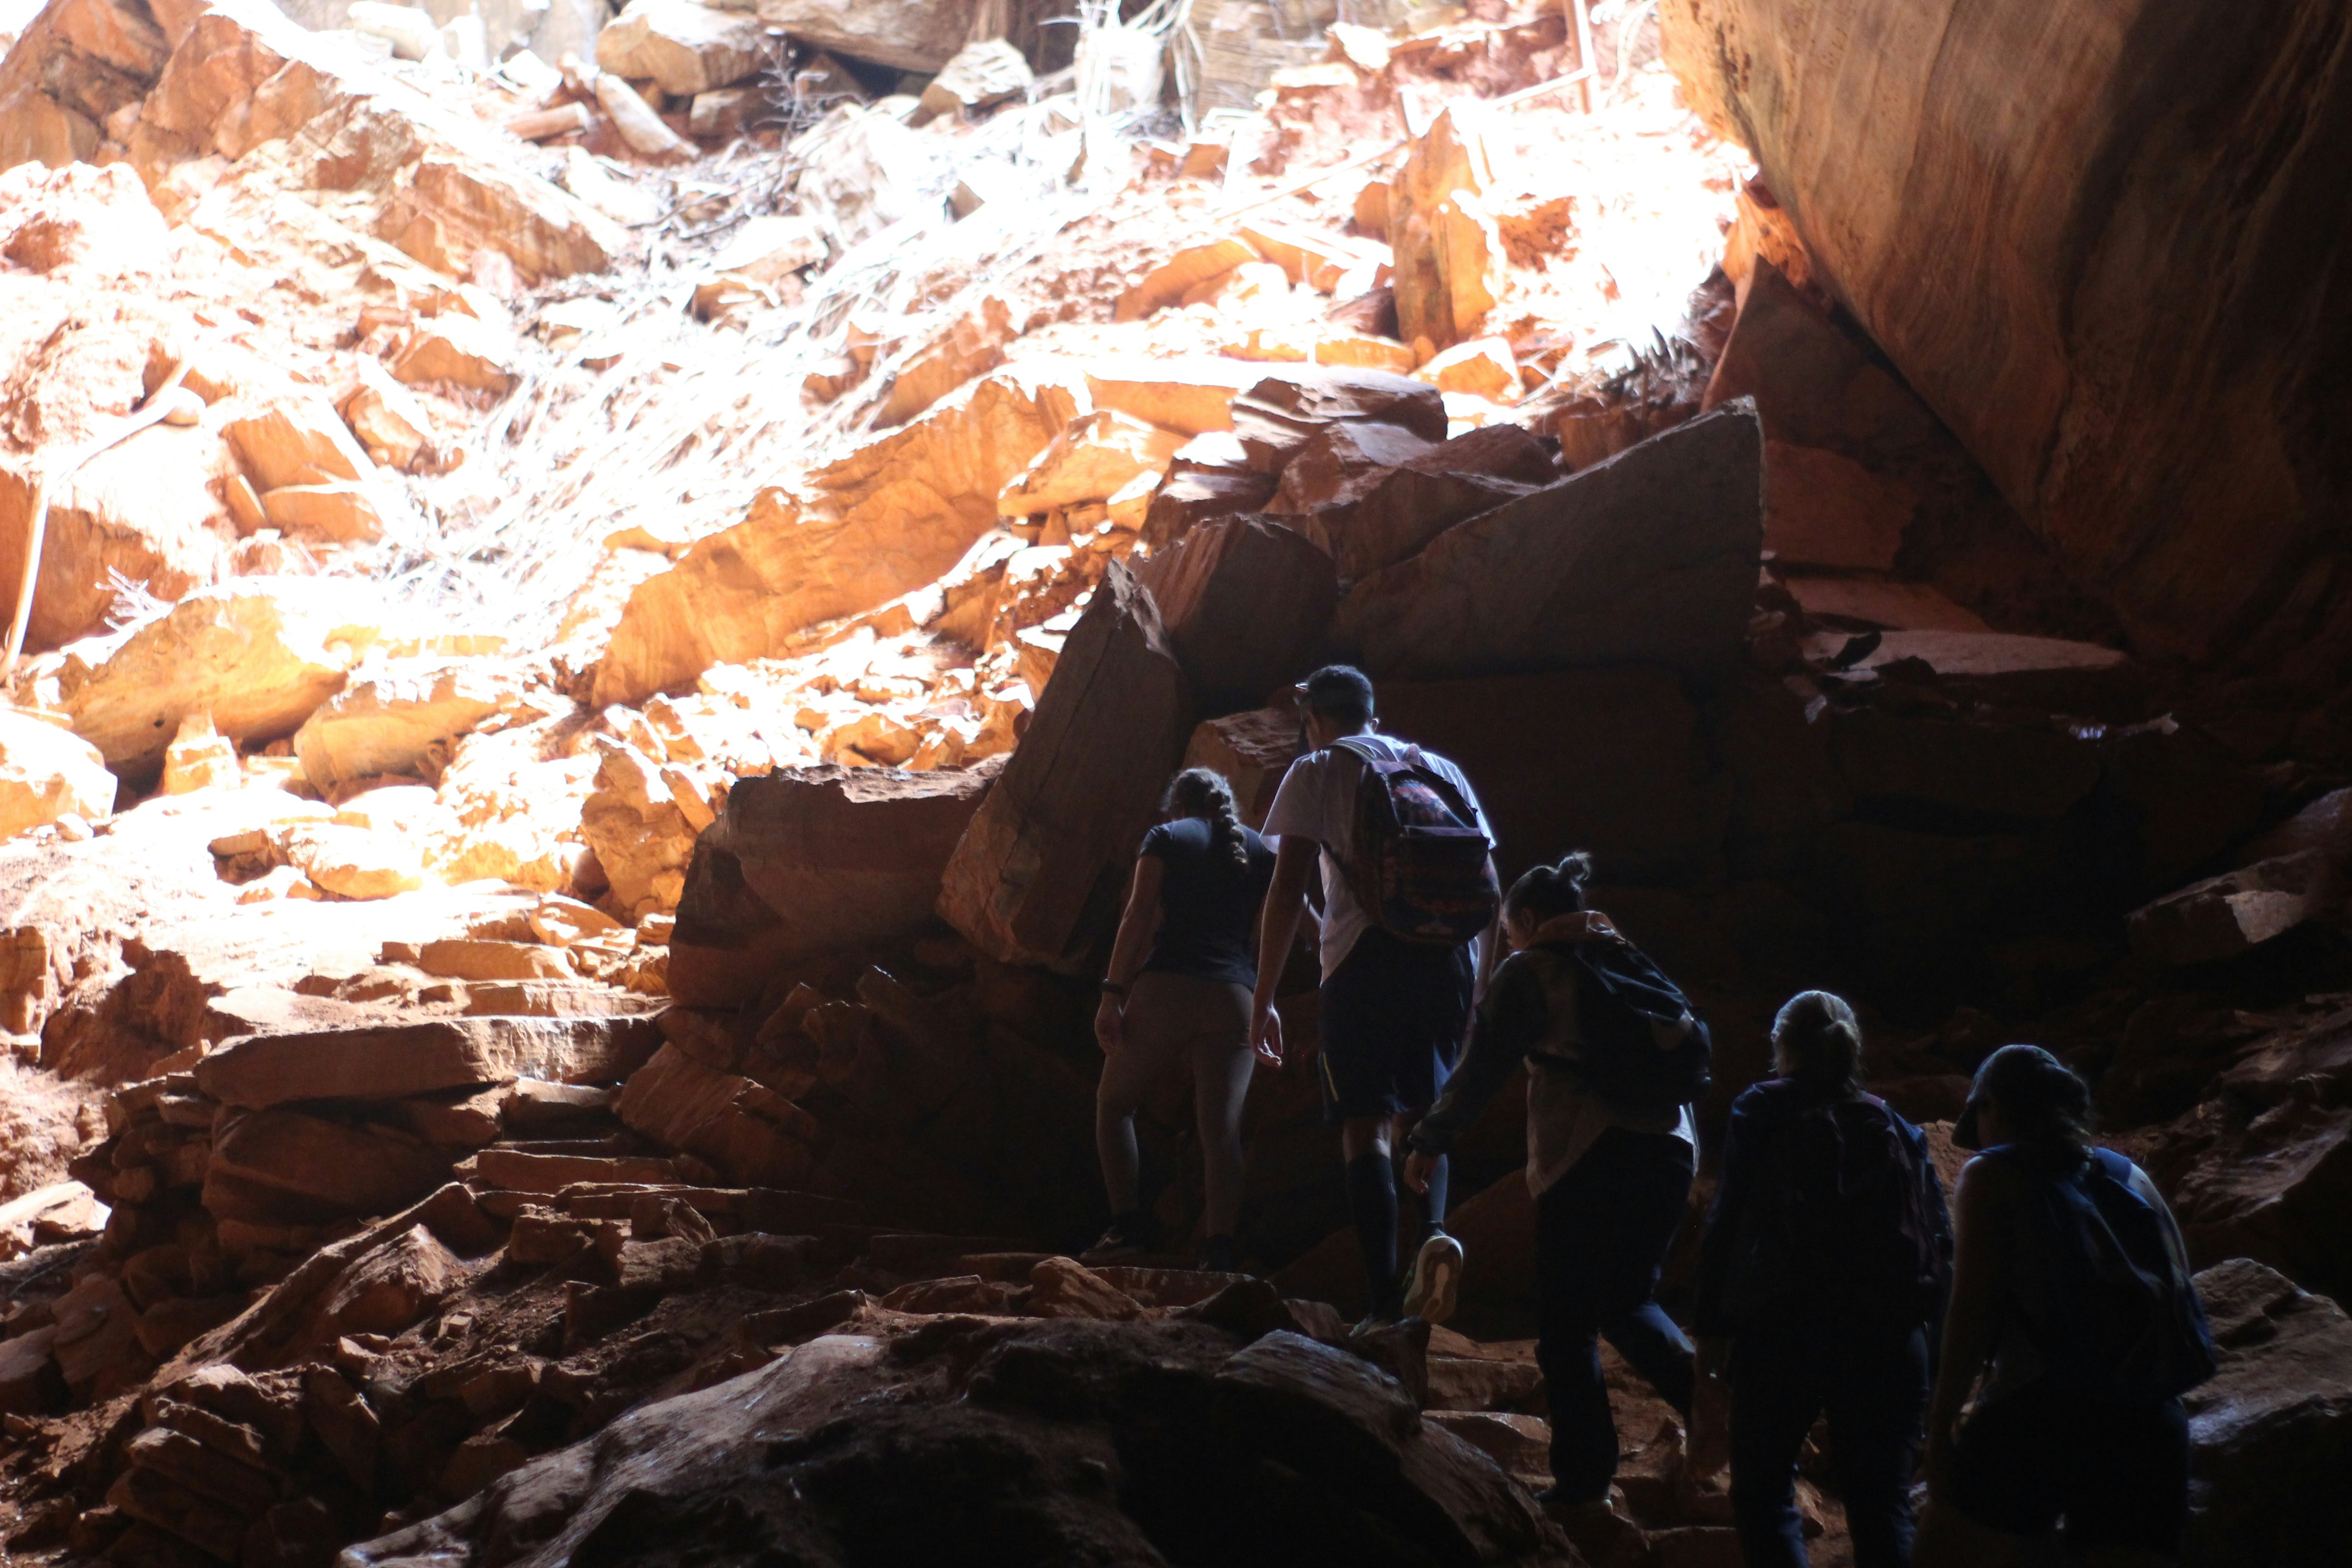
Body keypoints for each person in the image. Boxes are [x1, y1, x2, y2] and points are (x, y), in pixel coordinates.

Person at [1402, 853, 1704, 1524]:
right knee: (1628, 1299)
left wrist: (1429, 1138)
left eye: (1510, 933)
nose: (1509, 946)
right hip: (1674, 1150)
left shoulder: (1533, 968)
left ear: (1530, 920)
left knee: (1565, 1324)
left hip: (1591, 1154)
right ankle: (1723, 1410)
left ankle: (1583, 1482)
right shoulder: (1627, 956)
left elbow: (1481, 1069)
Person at [1250, 665, 1495, 1327]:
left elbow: (1285, 891)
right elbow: (1491, 886)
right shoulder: (1439, 770)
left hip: (1364, 961)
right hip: (1448, 961)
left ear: (1314, 720)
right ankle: (1438, 1231)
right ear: (1372, 714)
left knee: (1365, 1128)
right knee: (1427, 1116)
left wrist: (1264, 996)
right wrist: (1478, 992)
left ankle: (1385, 1303)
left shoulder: (1319, 769)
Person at [1922, 1044, 2216, 1566]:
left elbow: (1972, 1314)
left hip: (2040, 1413)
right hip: (2150, 1422)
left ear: (1994, 1108)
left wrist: (1942, 1425)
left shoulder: (1992, 1175)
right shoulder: (2130, 1176)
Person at [1688, 991, 1953, 1568]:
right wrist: (1933, 1352)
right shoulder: (1895, 1126)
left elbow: (1727, 1223)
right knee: (1883, 1505)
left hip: (1787, 1327)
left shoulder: (1761, 1110)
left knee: (1764, 1494)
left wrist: (1711, 1331)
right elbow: (1938, 1241)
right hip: (1888, 1333)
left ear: (1782, 1046)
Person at [1093, 767, 1277, 1274]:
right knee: (1222, 1133)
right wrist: (1266, 997)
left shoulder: (1167, 837)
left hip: (1168, 989)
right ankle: (1219, 1251)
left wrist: (1112, 993)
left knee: (1114, 1106)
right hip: (1235, 998)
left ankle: (1127, 1230)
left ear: (1177, 806)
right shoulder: (1262, 849)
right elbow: (1290, 922)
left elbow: (1138, 915)